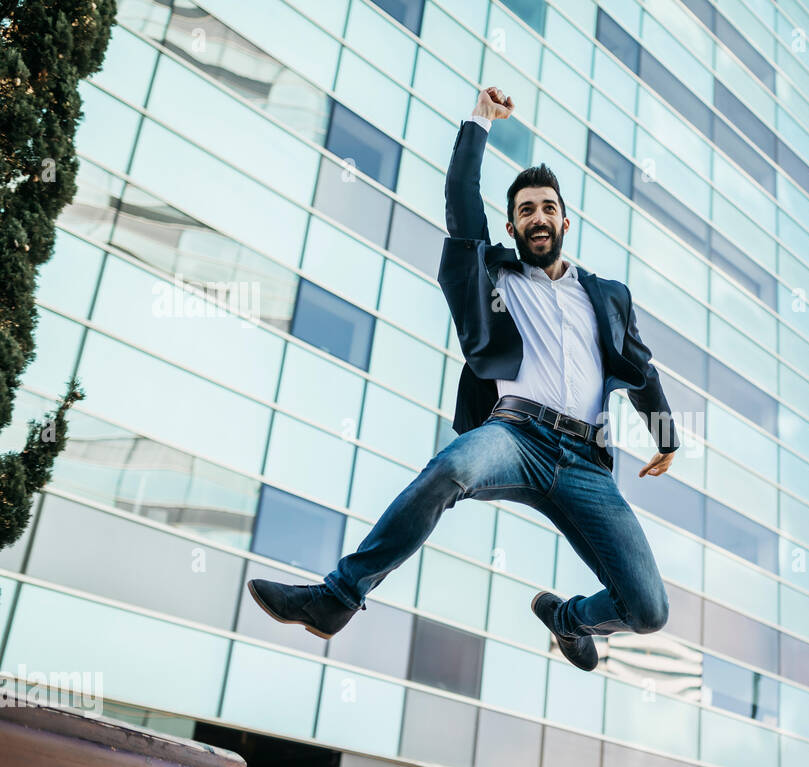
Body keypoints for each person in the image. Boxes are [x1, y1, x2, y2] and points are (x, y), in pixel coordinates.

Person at [248, 86, 681, 672]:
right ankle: (337, 597)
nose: (538, 217)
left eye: (547, 207)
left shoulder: (606, 295)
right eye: (526, 210)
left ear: (565, 220)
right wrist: (480, 120)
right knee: (450, 468)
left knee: (649, 609)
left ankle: (568, 620)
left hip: (585, 461)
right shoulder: (493, 274)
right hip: (515, 436)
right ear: (512, 224)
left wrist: (666, 437)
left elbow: (640, 366)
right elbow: (460, 196)